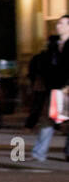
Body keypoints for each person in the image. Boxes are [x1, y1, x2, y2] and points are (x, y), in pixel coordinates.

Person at [27, 15, 69, 162]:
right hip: (54, 89)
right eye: (58, 23)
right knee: (47, 120)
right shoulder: (53, 46)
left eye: (62, 23)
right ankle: (39, 153)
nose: (59, 26)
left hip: (66, 88)